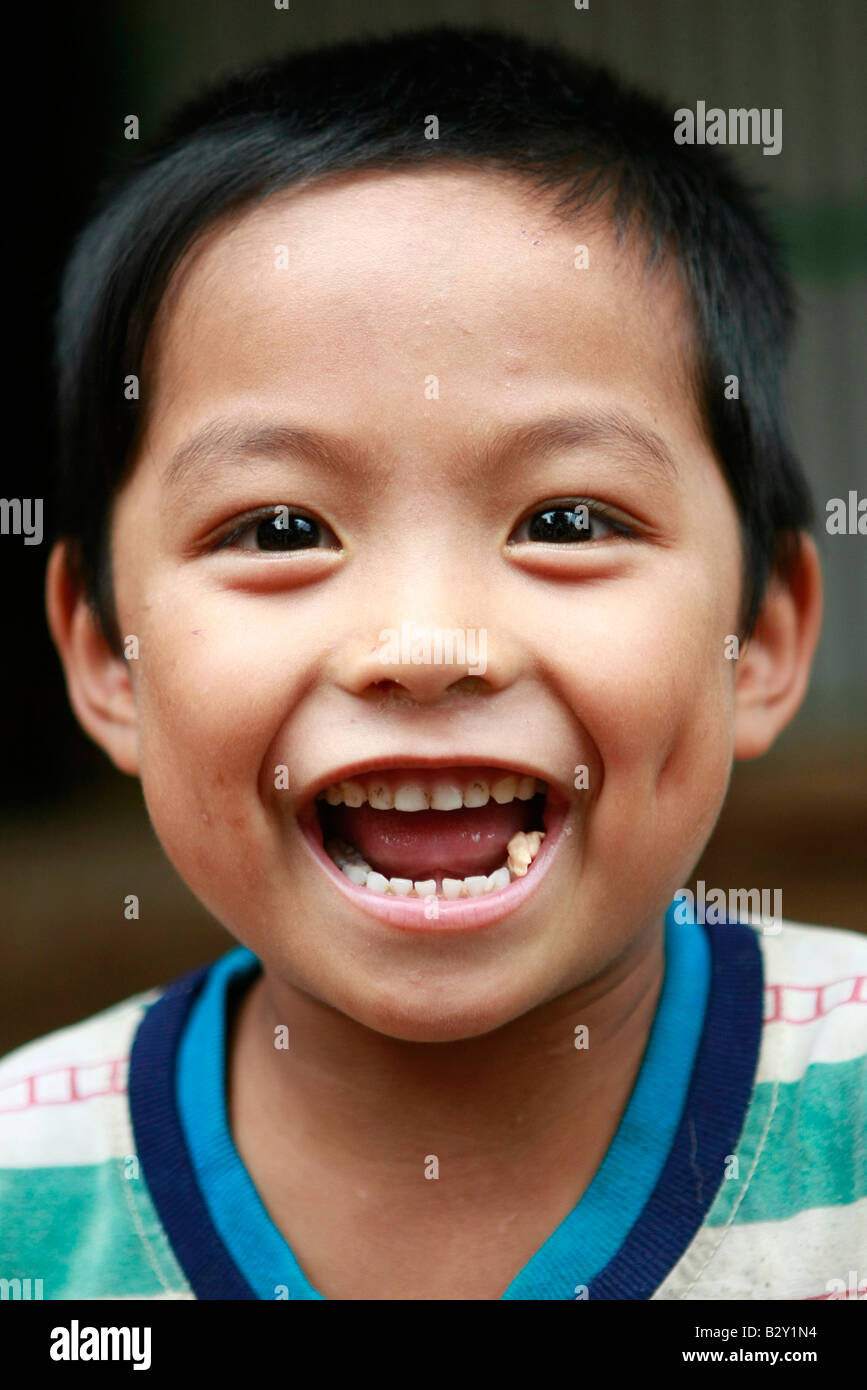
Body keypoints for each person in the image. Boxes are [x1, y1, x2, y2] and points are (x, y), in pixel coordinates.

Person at [1, 26, 864, 1300]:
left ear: (769, 633)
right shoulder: (26, 1190)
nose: (425, 647)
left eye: (566, 521)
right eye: (280, 529)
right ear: (104, 655)